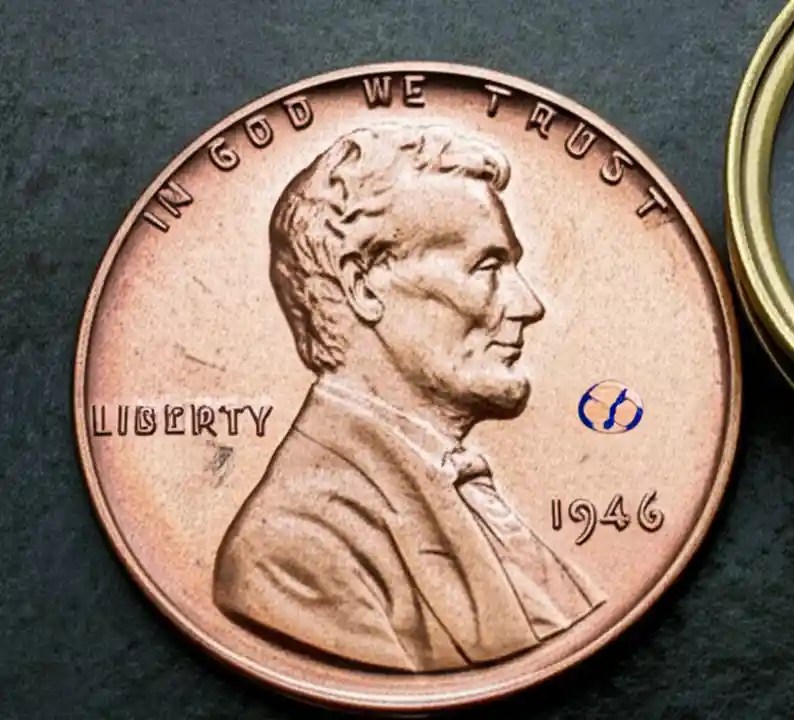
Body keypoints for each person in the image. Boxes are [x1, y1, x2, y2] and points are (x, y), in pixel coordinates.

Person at [212, 123, 604, 673]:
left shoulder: (451, 486)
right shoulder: (293, 550)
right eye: (487, 267)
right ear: (363, 286)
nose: (528, 303)